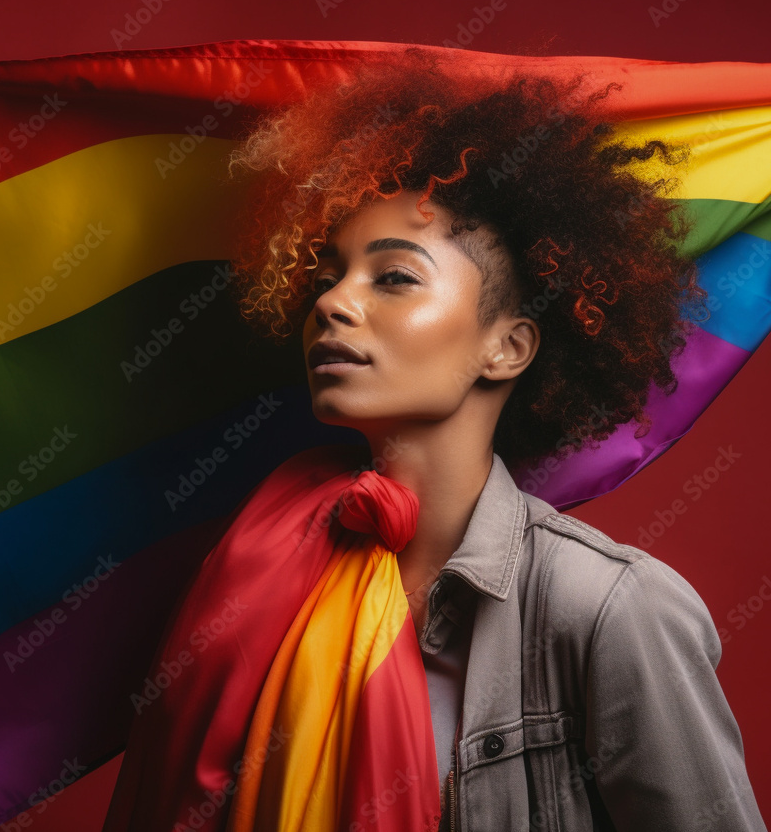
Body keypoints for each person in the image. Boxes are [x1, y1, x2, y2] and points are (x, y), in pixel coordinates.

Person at [104, 50, 767, 831]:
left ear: (508, 347)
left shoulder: (607, 610)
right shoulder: (260, 568)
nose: (332, 304)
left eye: (393, 278)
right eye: (329, 273)